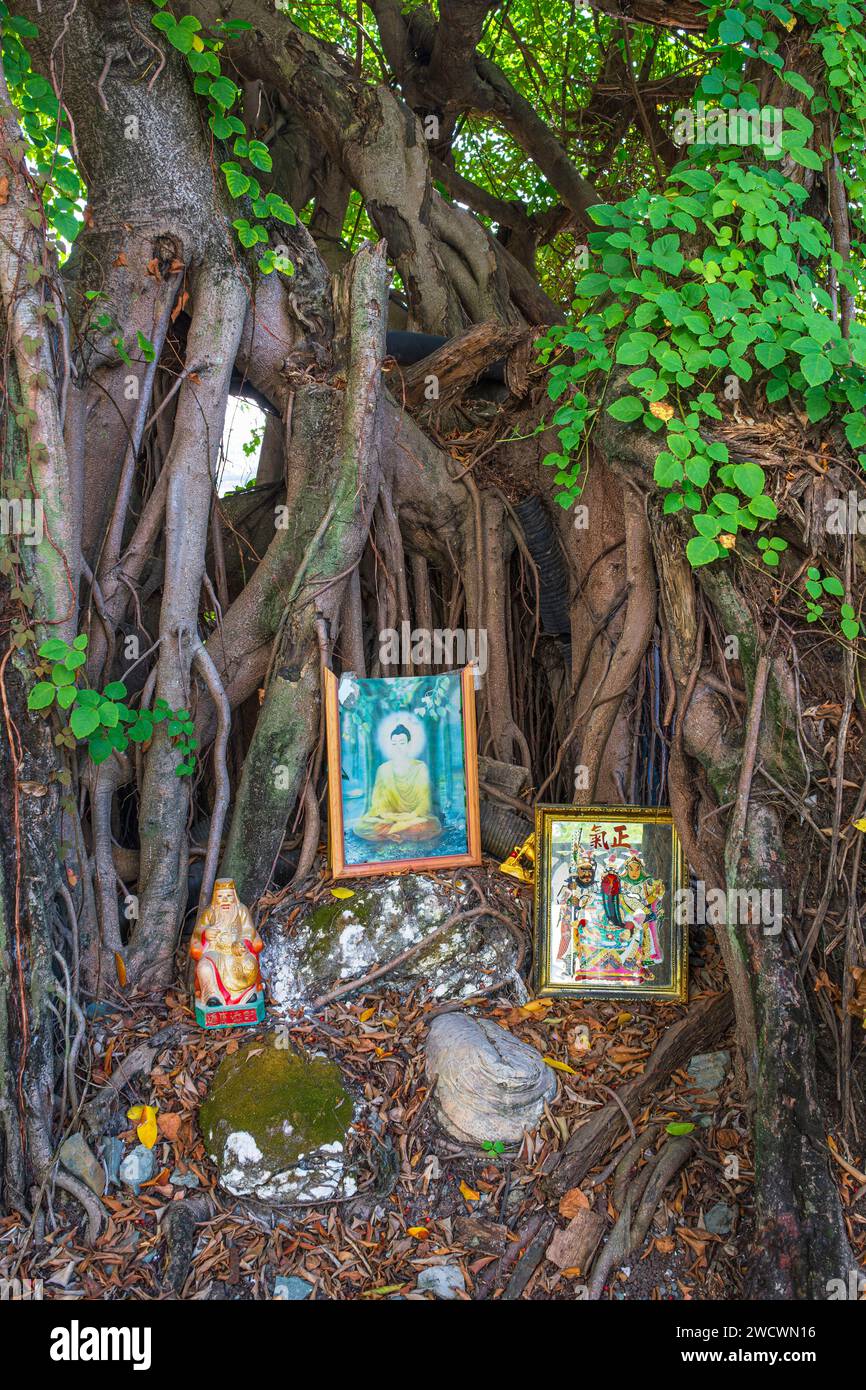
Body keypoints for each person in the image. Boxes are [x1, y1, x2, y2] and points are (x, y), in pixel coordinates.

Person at [353, 722, 442, 843]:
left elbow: (424, 804)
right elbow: (377, 803)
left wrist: (409, 817)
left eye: (402, 743)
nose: (398, 747)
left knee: (432, 825)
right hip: (389, 819)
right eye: (394, 744)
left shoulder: (420, 767)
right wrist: (391, 817)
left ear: (409, 744)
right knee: (360, 826)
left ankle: (391, 833)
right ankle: (400, 832)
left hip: (414, 818)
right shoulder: (383, 769)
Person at [190, 879, 264, 1018]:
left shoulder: (241, 910)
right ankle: (213, 997)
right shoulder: (210, 913)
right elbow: (198, 931)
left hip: (237, 951)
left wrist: (243, 942)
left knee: (246, 965)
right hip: (215, 951)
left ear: (234, 895)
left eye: (228, 896)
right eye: (220, 896)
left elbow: (249, 929)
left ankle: (246, 996)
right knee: (204, 967)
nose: (225, 900)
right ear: (215, 897)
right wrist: (205, 933)